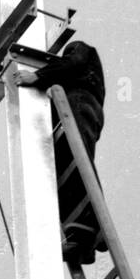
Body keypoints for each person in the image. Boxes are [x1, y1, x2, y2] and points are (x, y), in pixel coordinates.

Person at [14, 39, 109, 267]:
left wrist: (37, 77)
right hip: (76, 107)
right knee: (66, 167)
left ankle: (91, 226)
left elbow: (73, 63)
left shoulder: (80, 50)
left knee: (77, 162)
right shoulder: (73, 78)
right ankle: (82, 239)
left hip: (79, 103)